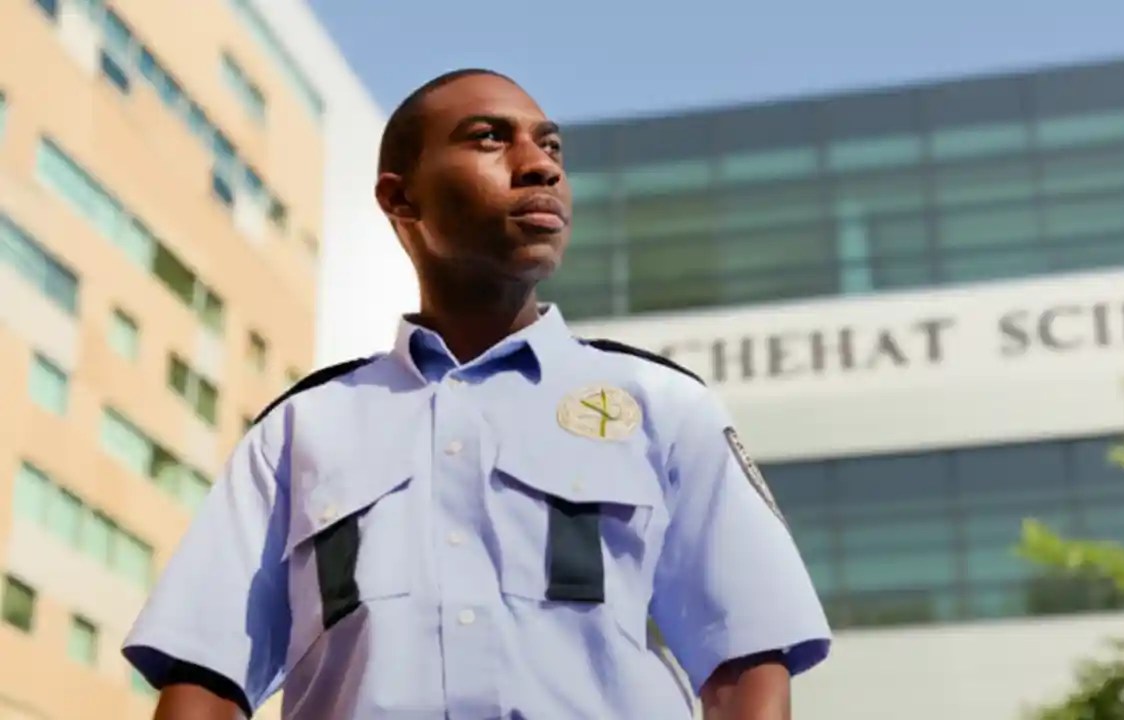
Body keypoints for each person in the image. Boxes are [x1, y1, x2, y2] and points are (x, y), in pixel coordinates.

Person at [123, 68, 831, 719]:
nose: (541, 163)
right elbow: (205, 676)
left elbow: (747, 658)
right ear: (400, 197)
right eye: (491, 138)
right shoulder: (299, 429)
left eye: (550, 145)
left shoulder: (662, 404)